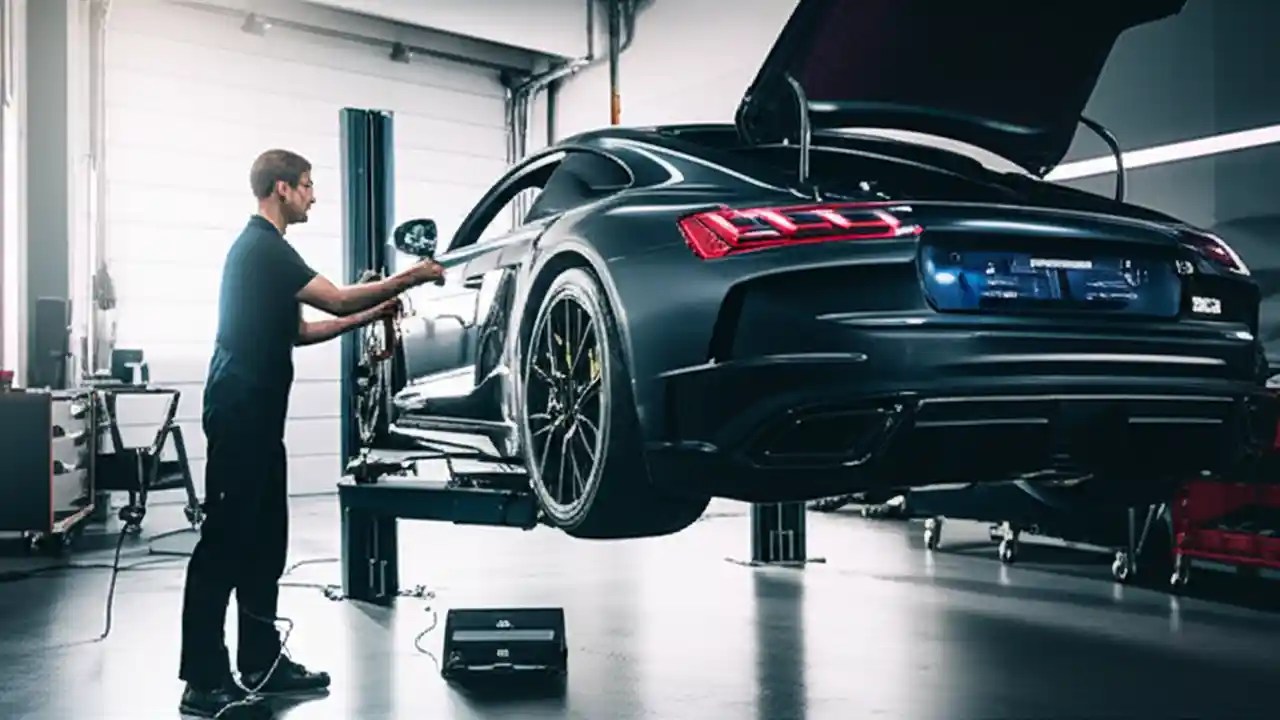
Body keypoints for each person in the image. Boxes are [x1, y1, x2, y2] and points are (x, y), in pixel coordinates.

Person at [177, 148, 445, 717]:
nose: (314, 196)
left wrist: (372, 315)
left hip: (260, 418)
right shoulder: (262, 250)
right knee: (224, 543)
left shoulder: (268, 255)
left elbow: (301, 328)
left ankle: (261, 663)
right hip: (239, 414)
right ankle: (203, 679)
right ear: (280, 188)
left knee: (266, 540)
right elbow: (337, 295)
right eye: (306, 185)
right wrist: (415, 275)